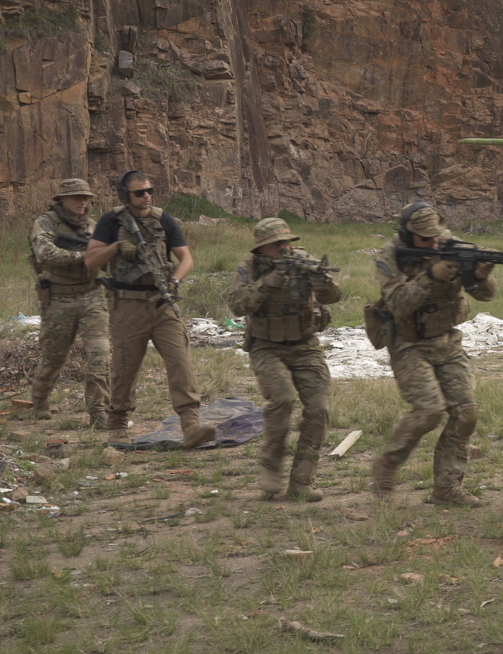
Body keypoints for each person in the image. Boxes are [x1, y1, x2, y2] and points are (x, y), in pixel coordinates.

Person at [370, 202, 496, 506]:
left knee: (467, 413)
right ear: (408, 235)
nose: (434, 242)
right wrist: (431, 276)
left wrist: (480, 276)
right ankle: (386, 464)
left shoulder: (450, 246)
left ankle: (446, 488)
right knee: (429, 410)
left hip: (446, 340)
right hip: (407, 342)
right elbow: (398, 304)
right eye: (426, 239)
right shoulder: (389, 256)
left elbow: (485, 295)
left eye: (436, 236)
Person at [84, 170, 215, 448]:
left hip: (162, 303)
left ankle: (191, 425)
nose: (146, 196)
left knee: (180, 362)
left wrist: (175, 280)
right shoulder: (111, 221)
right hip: (128, 305)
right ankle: (118, 424)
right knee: (125, 367)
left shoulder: (164, 220)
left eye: (149, 190)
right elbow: (91, 260)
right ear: (125, 195)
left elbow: (186, 258)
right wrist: (118, 246)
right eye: (139, 192)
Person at [226, 218, 340, 501]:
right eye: (277, 244)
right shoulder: (250, 269)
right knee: (282, 400)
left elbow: (334, 295)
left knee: (318, 408)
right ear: (262, 249)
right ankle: (271, 465)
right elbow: (237, 305)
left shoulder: (304, 262)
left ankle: (302, 481)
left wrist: (321, 282)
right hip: (267, 347)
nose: (284, 248)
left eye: (287, 242)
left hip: (305, 346)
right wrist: (265, 285)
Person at [28, 179, 110, 425]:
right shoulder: (45, 223)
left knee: (100, 354)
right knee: (54, 358)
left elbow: (105, 261)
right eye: (76, 197)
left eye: (86, 197)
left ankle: (98, 412)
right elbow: (46, 253)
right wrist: (84, 256)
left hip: (91, 295)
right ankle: (40, 399)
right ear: (61, 199)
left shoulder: (94, 227)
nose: (82, 201)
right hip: (58, 297)